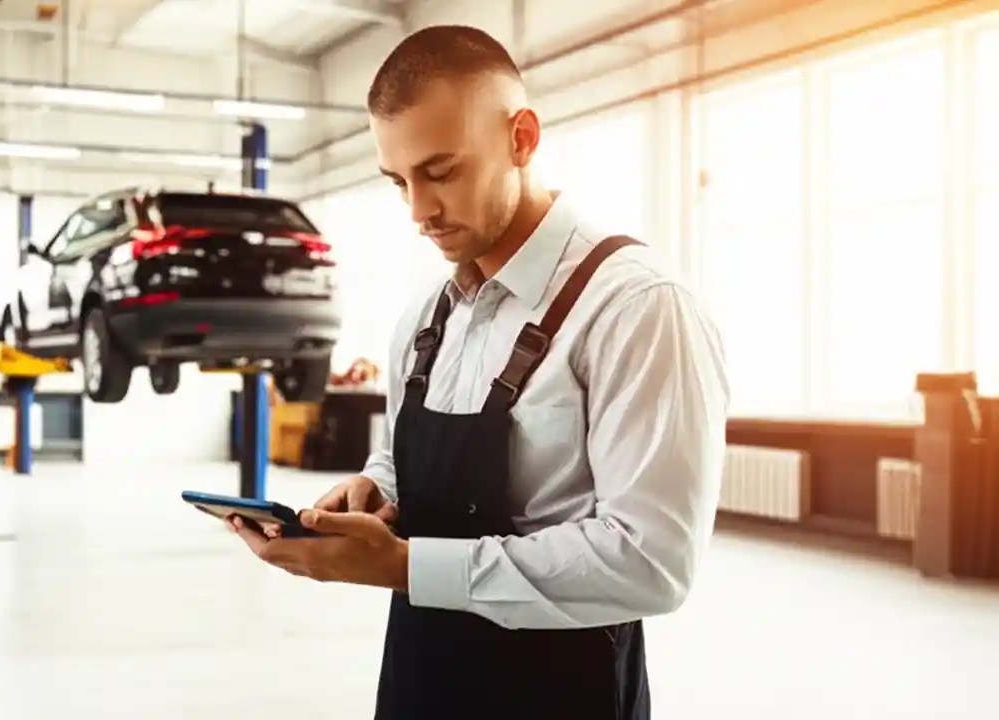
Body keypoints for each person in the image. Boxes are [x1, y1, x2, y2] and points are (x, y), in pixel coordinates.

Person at [227, 24, 729, 720]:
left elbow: (652, 563)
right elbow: (406, 460)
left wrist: (405, 568)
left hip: (562, 694)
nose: (418, 211)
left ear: (522, 137)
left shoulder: (637, 308)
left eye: (441, 172)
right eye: (398, 180)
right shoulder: (425, 318)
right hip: (419, 681)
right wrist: (373, 490)